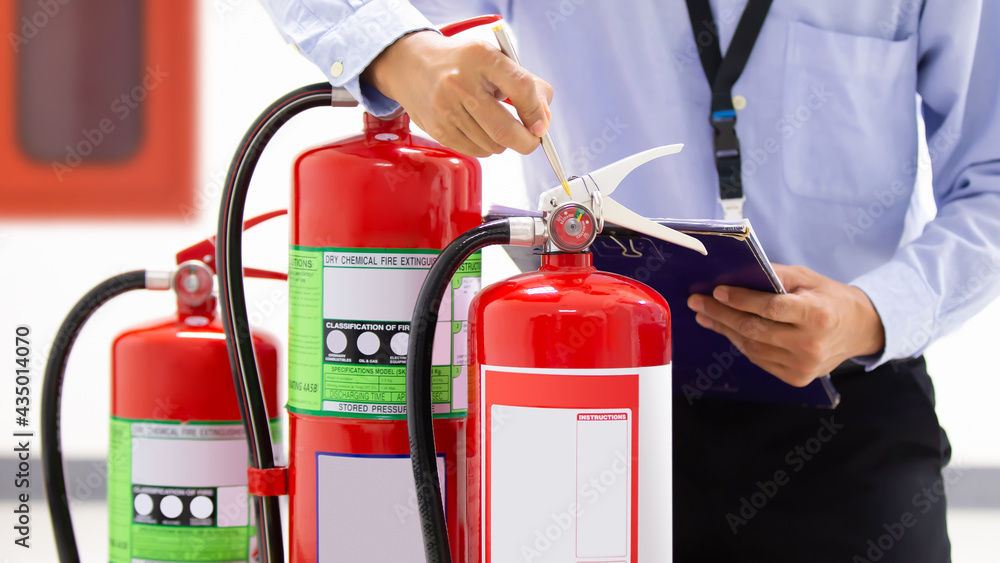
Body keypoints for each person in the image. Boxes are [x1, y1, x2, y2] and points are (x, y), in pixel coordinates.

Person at [260, 1, 1000, 561]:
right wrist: (406, 56)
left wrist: (873, 314)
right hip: (583, 419)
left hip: (847, 417)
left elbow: (992, 176)